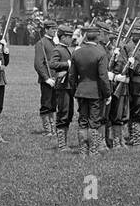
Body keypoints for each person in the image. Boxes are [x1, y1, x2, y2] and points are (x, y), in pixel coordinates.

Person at [69, 23, 111, 158]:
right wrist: (107, 93)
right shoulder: (100, 53)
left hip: (81, 90)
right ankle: (93, 151)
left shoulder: (77, 52)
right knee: (94, 122)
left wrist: (76, 90)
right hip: (95, 91)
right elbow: (103, 77)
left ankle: (83, 151)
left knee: (82, 121)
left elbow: (72, 76)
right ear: (97, 37)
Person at [51, 24, 76, 152]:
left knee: (68, 113)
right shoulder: (58, 49)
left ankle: (64, 142)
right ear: (63, 37)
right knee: (63, 113)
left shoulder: (66, 49)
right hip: (62, 85)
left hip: (68, 85)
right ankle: (61, 144)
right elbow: (53, 64)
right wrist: (67, 64)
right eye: (69, 36)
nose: (71, 39)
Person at [32, 19, 59, 139]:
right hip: (47, 80)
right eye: (52, 29)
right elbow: (38, 63)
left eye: (55, 29)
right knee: (46, 104)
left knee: (54, 104)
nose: (54, 31)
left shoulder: (53, 43)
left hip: (55, 79)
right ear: (46, 29)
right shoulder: (41, 43)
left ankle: (53, 127)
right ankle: (48, 129)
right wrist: (46, 78)